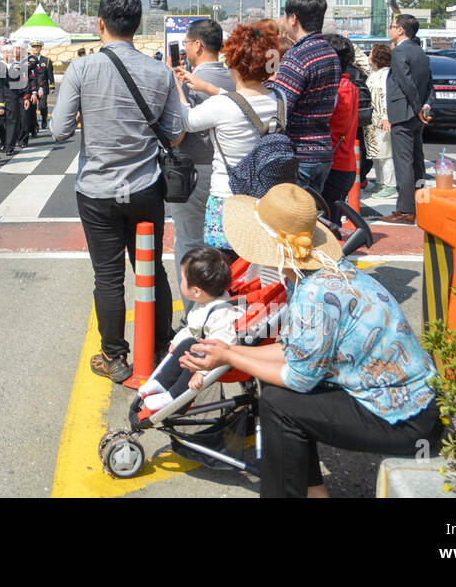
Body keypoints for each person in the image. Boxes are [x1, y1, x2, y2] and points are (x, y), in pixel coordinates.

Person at [182, 182, 442, 498]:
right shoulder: (320, 274)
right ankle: (315, 493)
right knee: (274, 390)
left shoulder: (314, 294)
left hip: (404, 415)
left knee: (279, 404)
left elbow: (299, 376)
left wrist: (229, 358)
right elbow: (297, 351)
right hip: (404, 399)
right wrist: (230, 351)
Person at [50, 0, 185, 383]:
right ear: (138, 24)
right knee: (152, 269)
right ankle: (161, 344)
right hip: (145, 187)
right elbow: (175, 134)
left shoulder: (81, 68)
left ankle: (115, 355)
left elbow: (58, 130)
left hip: (97, 190)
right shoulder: (159, 71)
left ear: (100, 24)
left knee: (107, 276)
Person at [177, 22, 284, 256]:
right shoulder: (279, 99)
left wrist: (178, 87)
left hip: (227, 199)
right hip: (266, 199)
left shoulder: (223, 106)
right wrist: (211, 88)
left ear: (234, 63)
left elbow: (187, 120)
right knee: (255, 267)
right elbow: (244, 104)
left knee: (224, 271)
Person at [135, 245, 243, 413]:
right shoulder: (207, 301)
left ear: (197, 291)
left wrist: (202, 372)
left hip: (211, 357)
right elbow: (193, 328)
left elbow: (221, 346)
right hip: (201, 345)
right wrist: (177, 341)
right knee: (185, 344)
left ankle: (173, 396)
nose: (181, 282)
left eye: (183, 279)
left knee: (193, 355)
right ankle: (161, 383)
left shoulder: (220, 313)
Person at [167, 19, 234, 266]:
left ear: (198, 45)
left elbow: (178, 130)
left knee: (189, 243)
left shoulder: (189, 82)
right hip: (228, 174)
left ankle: (195, 303)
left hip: (194, 170)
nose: (184, 49)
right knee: (222, 244)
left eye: (186, 43)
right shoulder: (233, 79)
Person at [267, 0, 340, 192]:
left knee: (290, 220)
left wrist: (268, 85)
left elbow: (280, 107)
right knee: (311, 219)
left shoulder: (296, 57)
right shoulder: (329, 51)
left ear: (293, 19)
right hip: (323, 150)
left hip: (299, 154)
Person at [381, 14, 432, 225]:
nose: (390, 30)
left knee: (404, 164)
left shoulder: (400, 51)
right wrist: (426, 106)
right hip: (418, 115)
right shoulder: (420, 51)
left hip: (404, 112)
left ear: (401, 30)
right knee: (418, 161)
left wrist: (417, 106)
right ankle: (420, 203)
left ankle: (405, 209)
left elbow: (406, 82)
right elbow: (429, 82)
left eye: (392, 26)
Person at [320, 34, 360, 215]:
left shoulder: (335, 89)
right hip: (346, 163)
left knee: (326, 225)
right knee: (332, 220)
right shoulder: (350, 86)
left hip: (333, 165)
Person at [364, 44, 396, 198]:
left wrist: (386, 117)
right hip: (373, 121)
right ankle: (380, 182)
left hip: (381, 121)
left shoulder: (385, 75)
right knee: (376, 153)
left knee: (385, 153)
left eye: (371, 54)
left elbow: (386, 98)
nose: (369, 56)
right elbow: (361, 60)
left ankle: (390, 185)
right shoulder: (374, 73)